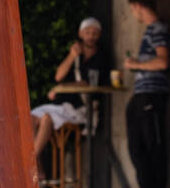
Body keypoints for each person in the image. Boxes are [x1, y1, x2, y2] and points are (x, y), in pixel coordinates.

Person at [31, 17, 112, 162]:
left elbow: (87, 84)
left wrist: (63, 87)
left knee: (46, 119)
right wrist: (72, 56)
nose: (91, 36)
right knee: (29, 118)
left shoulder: (102, 57)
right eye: (88, 32)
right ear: (81, 34)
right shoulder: (75, 55)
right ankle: (38, 166)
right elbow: (58, 76)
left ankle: (31, 160)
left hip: (80, 107)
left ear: (99, 35)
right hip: (61, 104)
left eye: (94, 33)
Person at [122, 0, 170, 188]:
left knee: (152, 145)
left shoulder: (158, 29)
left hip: (152, 94)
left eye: (134, 9)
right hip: (142, 94)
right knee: (137, 146)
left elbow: (163, 61)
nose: (134, 14)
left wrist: (136, 63)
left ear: (140, 6)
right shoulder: (151, 31)